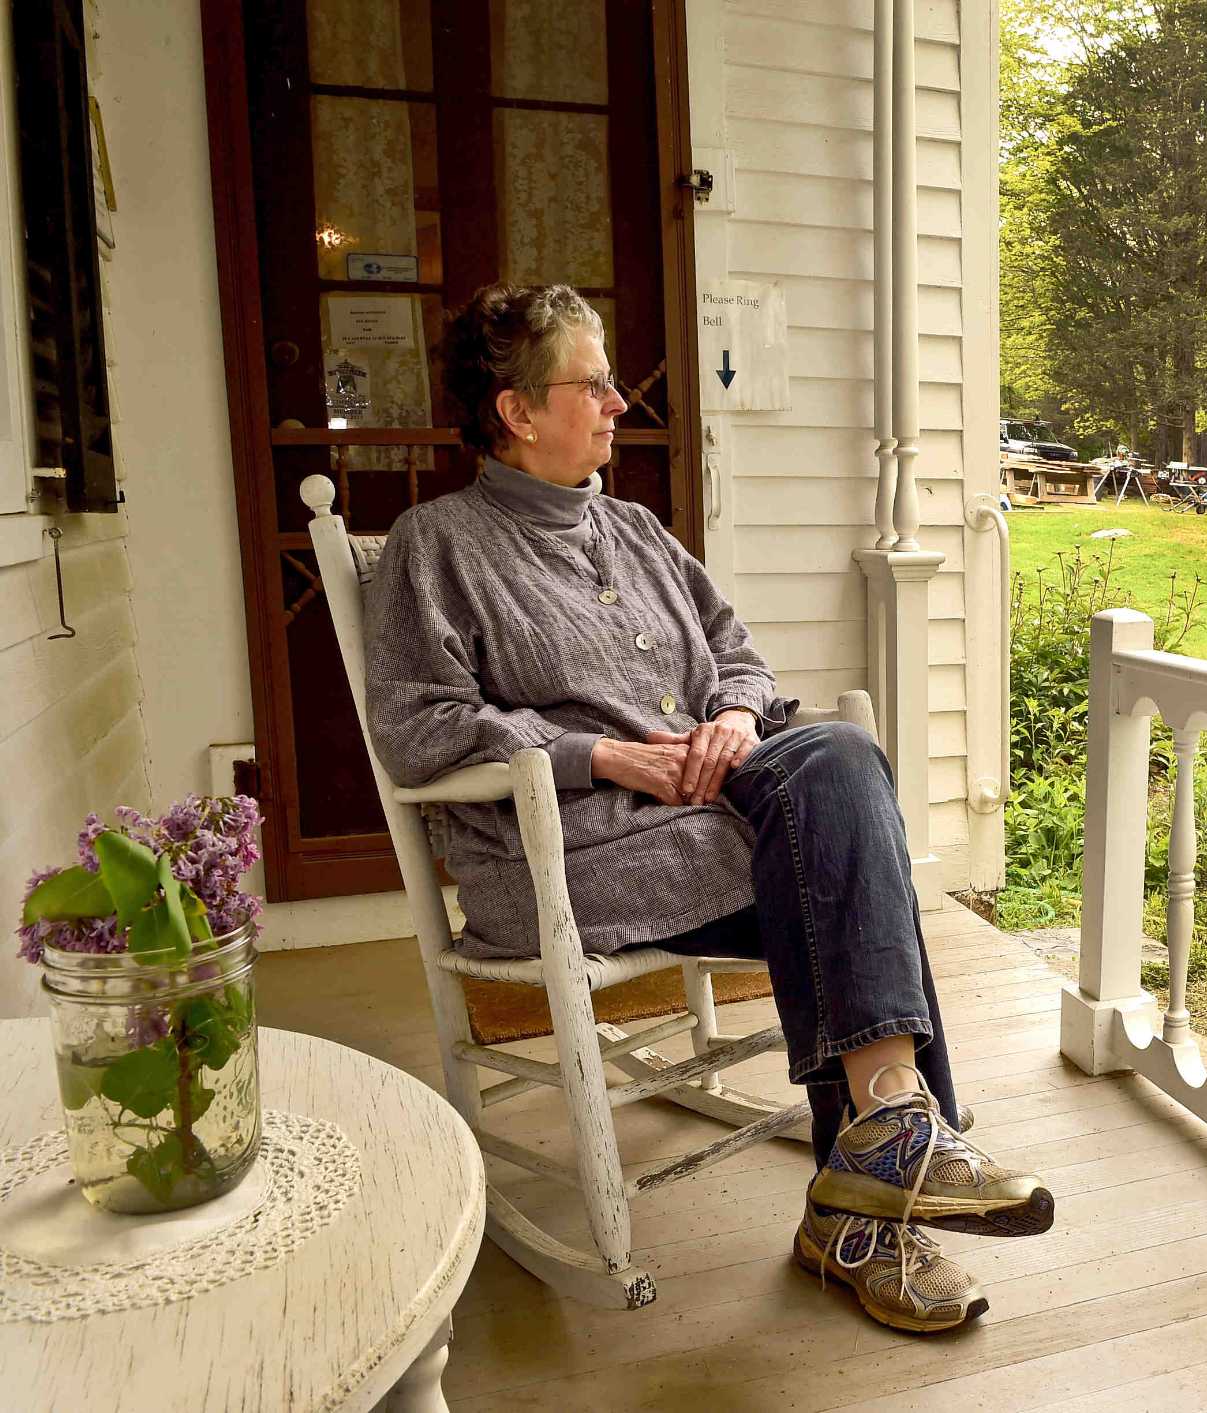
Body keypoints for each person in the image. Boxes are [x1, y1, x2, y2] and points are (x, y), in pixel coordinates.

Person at [363, 283, 1050, 1335]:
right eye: (590, 384)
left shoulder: (636, 529)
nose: (614, 404)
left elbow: (736, 655)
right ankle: (884, 1173)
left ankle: (882, 1149)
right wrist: (604, 757)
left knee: (836, 787)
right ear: (515, 410)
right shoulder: (436, 545)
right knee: (846, 847)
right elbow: (422, 726)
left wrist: (733, 714)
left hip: (718, 818)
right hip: (573, 855)